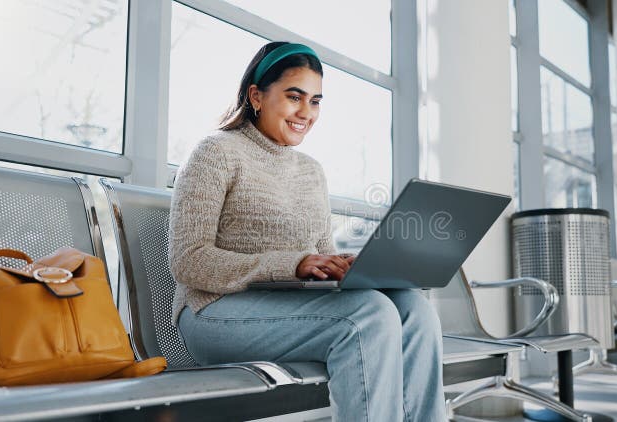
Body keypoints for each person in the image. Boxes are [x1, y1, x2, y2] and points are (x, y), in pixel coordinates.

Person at [169, 41, 447, 421]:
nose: (306, 112)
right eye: (294, 97)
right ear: (257, 95)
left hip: (286, 308)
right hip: (213, 313)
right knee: (367, 316)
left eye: (315, 101)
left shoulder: (311, 170)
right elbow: (189, 261)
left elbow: (319, 254)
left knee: (414, 309)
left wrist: (343, 267)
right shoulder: (216, 152)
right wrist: (294, 264)